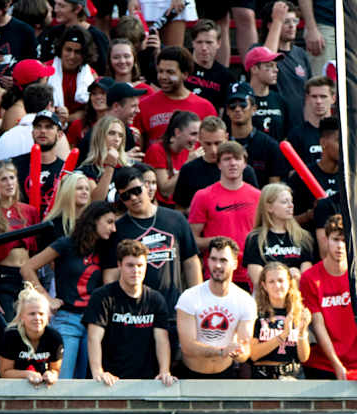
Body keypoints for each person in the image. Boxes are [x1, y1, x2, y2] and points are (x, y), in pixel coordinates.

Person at [21, 199, 118, 377]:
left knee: (83, 381)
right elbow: (27, 268)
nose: (114, 229)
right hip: (67, 320)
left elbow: (108, 286)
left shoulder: (107, 249)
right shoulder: (66, 244)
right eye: (109, 222)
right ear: (94, 220)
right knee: (62, 379)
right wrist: (47, 299)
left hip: (94, 322)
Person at [84, 239, 176, 386]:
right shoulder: (102, 297)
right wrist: (98, 372)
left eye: (140, 265)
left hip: (144, 381)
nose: (136, 270)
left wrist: (164, 371)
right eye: (130, 265)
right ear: (119, 265)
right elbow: (93, 338)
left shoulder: (155, 299)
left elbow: (161, 339)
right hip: (110, 381)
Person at [112, 166, 200, 307]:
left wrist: (197, 300)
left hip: (174, 308)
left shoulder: (175, 219)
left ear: (146, 187)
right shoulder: (118, 228)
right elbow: (112, 273)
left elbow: (191, 261)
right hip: (136, 313)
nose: (133, 198)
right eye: (126, 196)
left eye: (136, 191)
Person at [300, 214, 357, 379]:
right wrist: (335, 363)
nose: (340, 246)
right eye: (335, 239)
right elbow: (318, 325)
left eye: (345, 240)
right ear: (326, 240)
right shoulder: (310, 278)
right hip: (322, 363)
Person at [175, 236, 254, 378]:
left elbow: (245, 350)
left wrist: (238, 352)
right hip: (191, 374)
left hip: (226, 373)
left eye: (223, 260)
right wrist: (221, 351)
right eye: (213, 259)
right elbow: (187, 347)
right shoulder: (190, 297)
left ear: (235, 263)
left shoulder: (245, 300)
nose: (217, 265)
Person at [0, 159, 42, 327]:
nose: (9, 183)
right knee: (10, 329)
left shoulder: (29, 211)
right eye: (3, 179)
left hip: (28, 277)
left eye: (12, 178)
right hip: (3, 278)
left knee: (32, 327)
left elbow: (37, 252)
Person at [188, 140, 260, 269]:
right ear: (219, 164)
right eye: (227, 159)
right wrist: (218, 242)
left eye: (237, 159)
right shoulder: (203, 196)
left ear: (245, 164)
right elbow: (192, 240)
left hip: (250, 272)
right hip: (217, 270)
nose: (232, 163)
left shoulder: (258, 196)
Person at [172, 115, 260, 210]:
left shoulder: (243, 170)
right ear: (199, 139)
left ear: (226, 137)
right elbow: (179, 209)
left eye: (218, 143)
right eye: (208, 143)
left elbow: (256, 206)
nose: (213, 150)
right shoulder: (189, 170)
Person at [243, 182, 315, 289]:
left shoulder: (303, 237)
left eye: (291, 201)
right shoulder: (255, 239)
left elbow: (307, 279)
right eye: (284, 202)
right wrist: (287, 276)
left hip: (295, 299)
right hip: (266, 301)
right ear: (269, 207)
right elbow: (258, 281)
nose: (291, 206)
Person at [137, 45, 216, 142]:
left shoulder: (205, 108)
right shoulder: (144, 106)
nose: (163, 77)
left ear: (185, 74)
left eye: (170, 72)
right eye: (160, 71)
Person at [248, 261, 310, 378]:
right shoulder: (256, 313)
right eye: (271, 281)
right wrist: (282, 335)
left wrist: (301, 333)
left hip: (293, 375)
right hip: (264, 375)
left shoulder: (297, 311)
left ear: (289, 284)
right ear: (264, 285)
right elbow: (254, 354)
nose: (277, 285)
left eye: (281, 281)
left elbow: (304, 357)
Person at [0, 286, 64, 382]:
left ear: (48, 317)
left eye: (41, 314)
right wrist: (27, 374)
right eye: (32, 314)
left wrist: (50, 374)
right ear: (21, 317)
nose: (37, 318)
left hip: (42, 388)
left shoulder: (54, 338)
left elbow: (55, 370)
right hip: (13, 389)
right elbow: (5, 372)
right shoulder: (11, 336)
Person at [264, 1, 313, 128]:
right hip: (275, 123)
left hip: (299, 124)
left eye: (294, 21)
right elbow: (266, 59)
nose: (292, 26)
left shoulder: (301, 54)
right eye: (285, 22)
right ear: (271, 25)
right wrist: (277, 20)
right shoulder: (259, 50)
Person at [286, 115, 339, 226]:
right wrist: (308, 216)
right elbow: (284, 221)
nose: (344, 147)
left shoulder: (349, 179)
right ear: (323, 143)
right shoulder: (301, 177)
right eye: (339, 141)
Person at [227, 91, 286, 185]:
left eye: (243, 104)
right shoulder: (222, 144)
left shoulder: (270, 146)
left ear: (254, 109)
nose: (237, 109)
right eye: (232, 105)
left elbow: (274, 189)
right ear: (227, 111)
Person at [146, 109, 199, 205]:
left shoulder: (189, 150)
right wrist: (187, 164)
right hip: (162, 208)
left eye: (198, 134)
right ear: (177, 132)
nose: (197, 139)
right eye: (193, 134)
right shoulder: (157, 150)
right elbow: (165, 191)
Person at [236, 46, 288, 140]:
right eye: (269, 65)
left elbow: (286, 136)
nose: (276, 70)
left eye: (275, 65)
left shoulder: (279, 100)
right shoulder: (239, 101)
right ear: (254, 69)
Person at [285, 75, 334, 168]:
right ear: (307, 98)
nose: (318, 101)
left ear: (333, 98)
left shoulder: (342, 132)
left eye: (323, 96)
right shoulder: (296, 135)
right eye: (314, 96)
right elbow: (291, 172)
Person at [184, 18, 232, 111]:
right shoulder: (181, 67)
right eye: (199, 42)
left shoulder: (225, 77)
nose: (204, 48)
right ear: (193, 43)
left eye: (209, 42)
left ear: (218, 43)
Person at [80, 115, 131, 199]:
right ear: (99, 137)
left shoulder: (128, 168)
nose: (117, 139)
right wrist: (110, 166)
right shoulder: (87, 170)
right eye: (111, 133)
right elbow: (96, 201)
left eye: (120, 135)